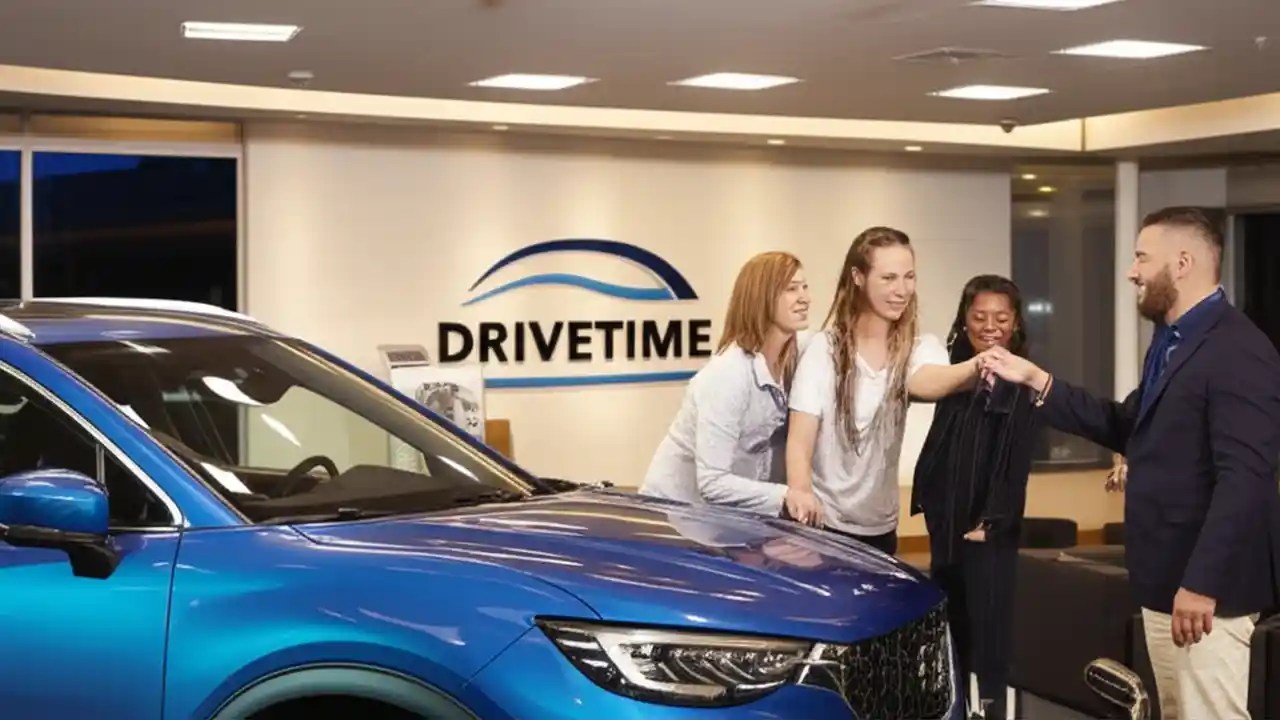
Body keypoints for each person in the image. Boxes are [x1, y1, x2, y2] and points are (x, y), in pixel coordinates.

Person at [982, 206, 1280, 720]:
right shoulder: (1172, 341)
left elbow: (1246, 480)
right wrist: (1038, 382)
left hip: (1206, 592)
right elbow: (1127, 425)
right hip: (1165, 581)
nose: (1131, 270)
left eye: (1142, 256)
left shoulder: (1238, 350)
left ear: (1182, 262)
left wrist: (1203, 584)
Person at [783, 226, 994, 555]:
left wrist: (976, 368)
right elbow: (799, 440)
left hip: (881, 529)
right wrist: (799, 491)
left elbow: (926, 381)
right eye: (889, 278)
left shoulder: (918, 348)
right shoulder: (824, 349)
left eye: (909, 277)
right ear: (858, 277)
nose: (902, 289)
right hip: (824, 527)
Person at [911, 274, 1038, 720]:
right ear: (964, 320)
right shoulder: (955, 369)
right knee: (950, 640)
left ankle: (995, 713)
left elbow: (1015, 459)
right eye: (979, 316)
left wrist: (993, 520)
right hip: (946, 528)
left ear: (1016, 323)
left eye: (1001, 318)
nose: (990, 326)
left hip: (989, 533)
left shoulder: (1022, 377)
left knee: (990, 645)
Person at [639, 251, 811, 515]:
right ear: (761, 298)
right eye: (791, 289)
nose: (804, 298)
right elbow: (713, 482)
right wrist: (787, 494)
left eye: (804, 287)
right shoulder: (727, 375)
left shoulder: (798, 354)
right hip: (672, 518)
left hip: (722, 519)